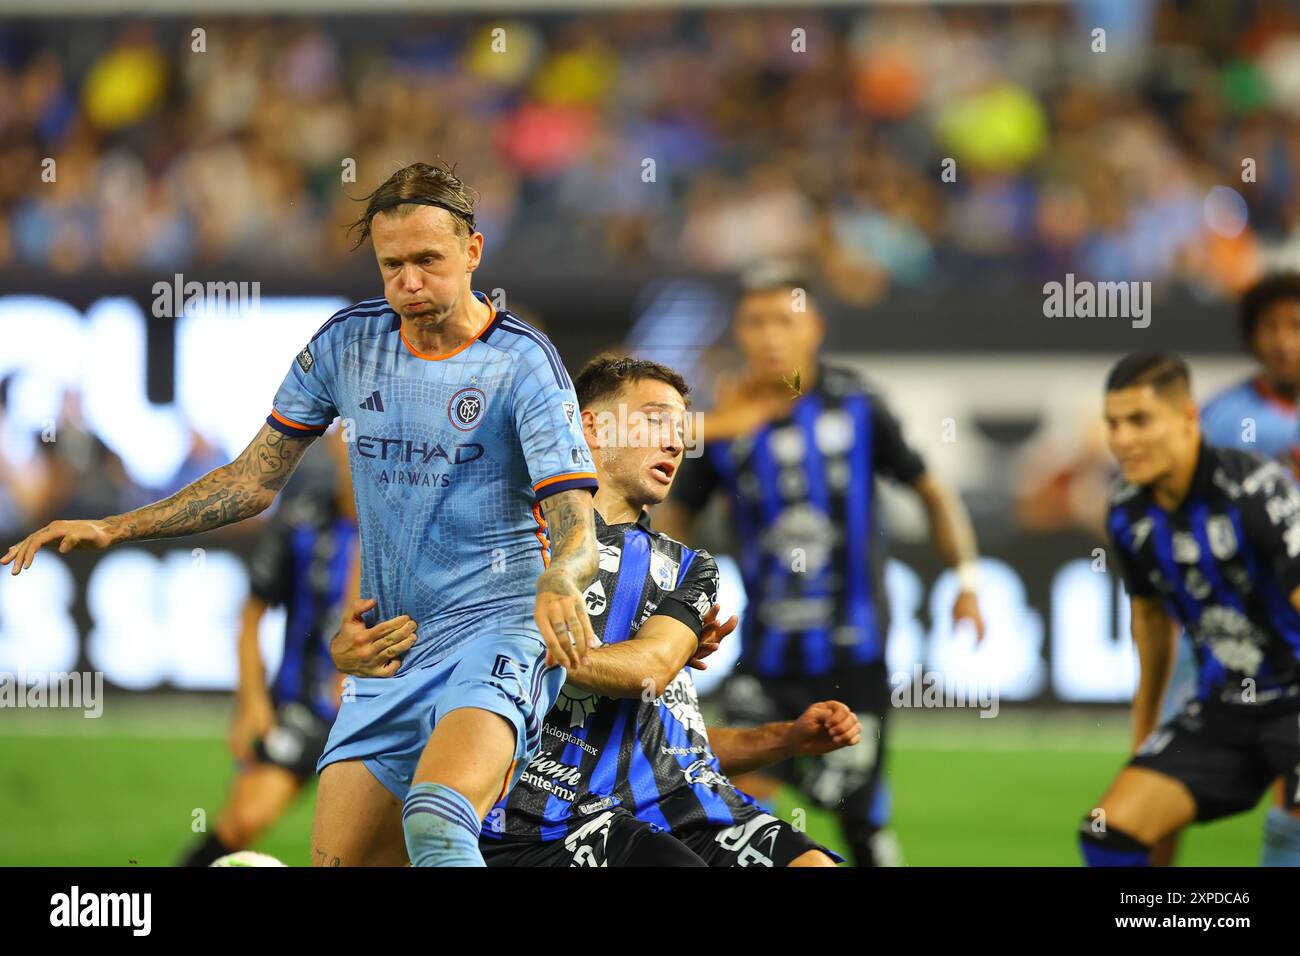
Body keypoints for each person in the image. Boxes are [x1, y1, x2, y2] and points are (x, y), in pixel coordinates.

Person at [3, 160, 600, 868]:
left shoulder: (525, 363)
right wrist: (116, 525)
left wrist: (563, 577)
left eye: (428, 261)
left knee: (437, 820)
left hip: (496, 635)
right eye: (393, 264)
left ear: (472, 252)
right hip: (387, 654)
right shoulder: (347, 345)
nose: (409, 281)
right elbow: (255, 479)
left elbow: (574, 523)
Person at [655, 268, 984, 866]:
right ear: (739, 332)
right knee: (738, 798)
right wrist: (660, 599)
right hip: (766, 655)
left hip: (854, 655)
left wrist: (966, 582)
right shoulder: (721, 426)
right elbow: (675, 515)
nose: (770, 336)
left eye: (785, 320)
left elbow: (932, 491)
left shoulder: (860, 407)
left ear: (815, 328)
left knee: (860, 817)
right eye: (755, 322)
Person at [1080, 353, 1300, 867]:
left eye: (1139, 421)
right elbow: (1151, 624)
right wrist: (1145, 738)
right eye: (1112, 424)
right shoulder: (1128, 509)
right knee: (1108, 836)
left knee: (1287, 839)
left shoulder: (1255, 490)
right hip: (1225, 707)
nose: (1122, 440)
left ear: (1187, 419)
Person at [180, 428, 358, 866]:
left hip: (387, 709)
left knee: (373, 849)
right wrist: (252, 703)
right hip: (303, 708)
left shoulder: (420, 526)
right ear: (337, 443)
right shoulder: (301, 520)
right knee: (241, 823)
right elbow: (250, 617)